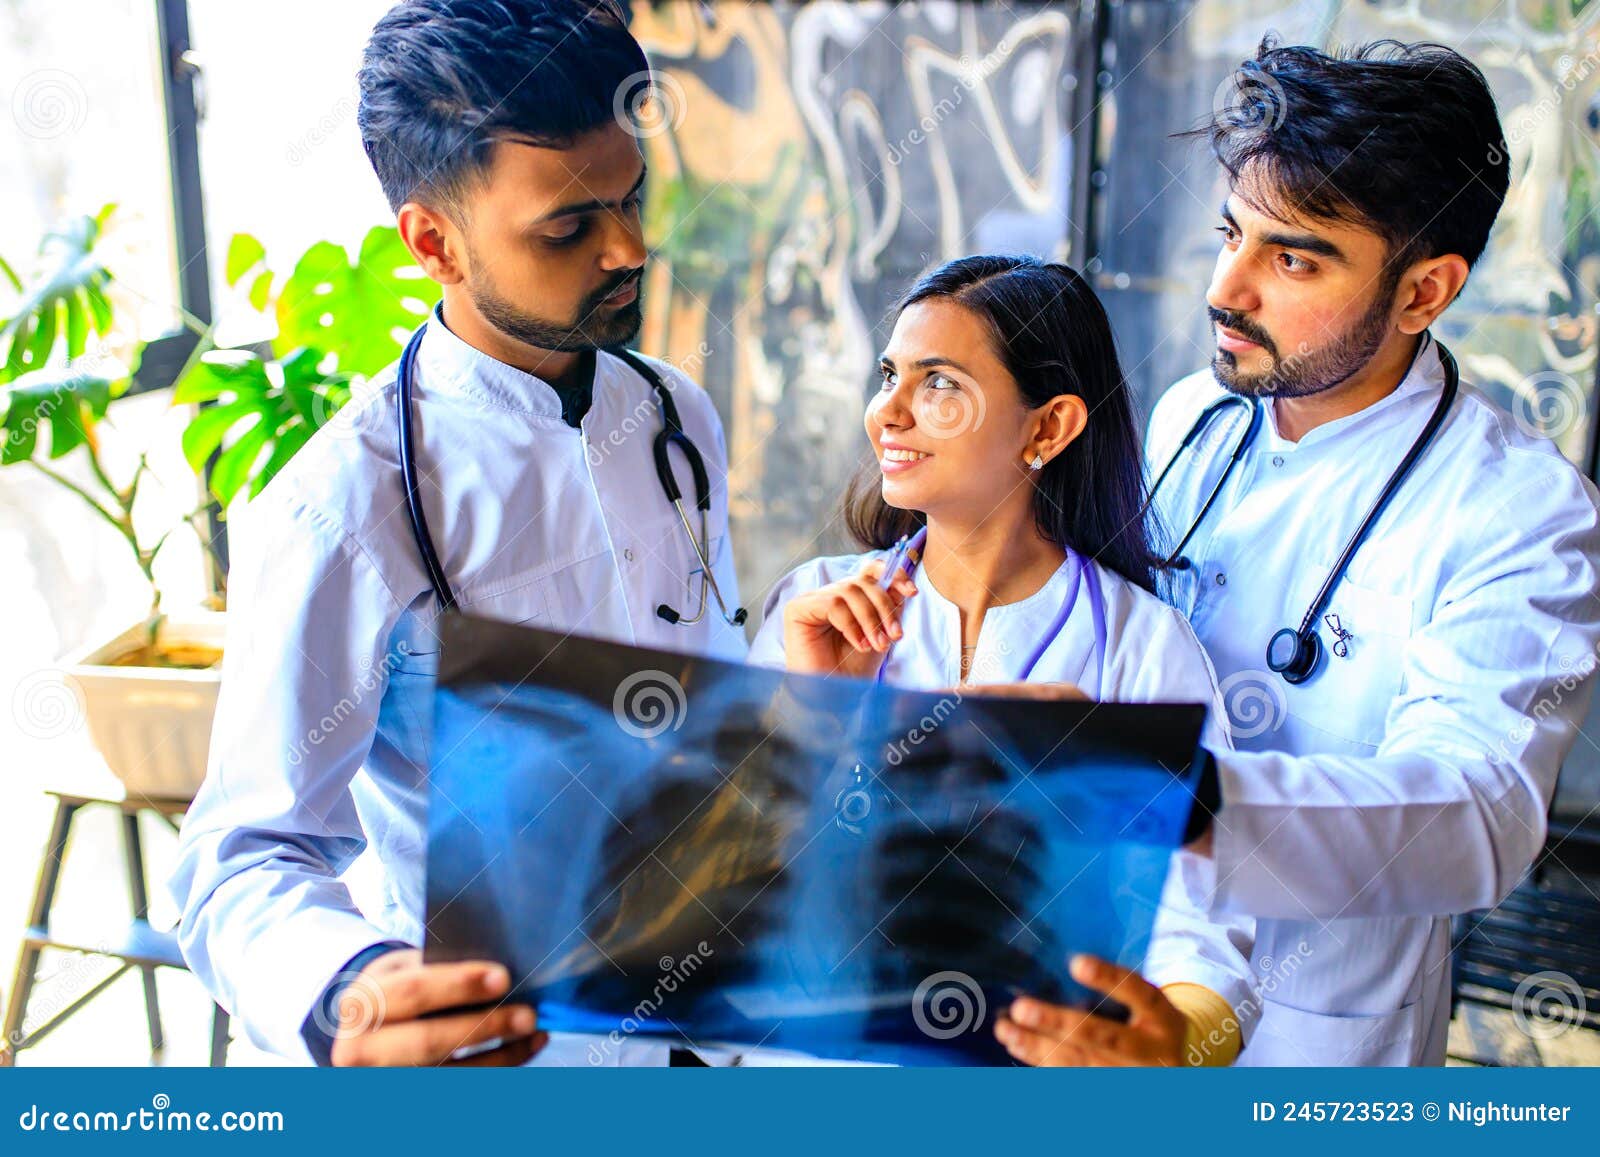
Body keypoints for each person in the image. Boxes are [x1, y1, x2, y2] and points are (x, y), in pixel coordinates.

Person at [170, 0, 745, 1067]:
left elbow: (718, 702)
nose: (629, 248)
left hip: (712, 1021)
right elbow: (240, 853)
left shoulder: (674, 415)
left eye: (631, 197)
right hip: (512, 1059)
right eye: (569, 226)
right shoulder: (343, 507)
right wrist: (344, 984)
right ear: (433, 241)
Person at [1016, 37, 1600, 1066]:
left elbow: (1482, 810)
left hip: (1310, 1046)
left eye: (1292, 256)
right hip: (1102, 999)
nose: (1225, 289)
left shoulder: (1521, 510)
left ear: (1424, 291)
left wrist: (1184, 795)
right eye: (1228, 234)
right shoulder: (1193, 416)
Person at [748, 255, 1257, 1066]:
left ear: (1047, 428)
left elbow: (1204, 946)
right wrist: (814, 714)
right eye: (890, 375)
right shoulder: (814, 610)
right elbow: (722, 895)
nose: (889, 412)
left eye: (940, 383)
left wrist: (1166, 1052)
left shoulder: (1145, 648)